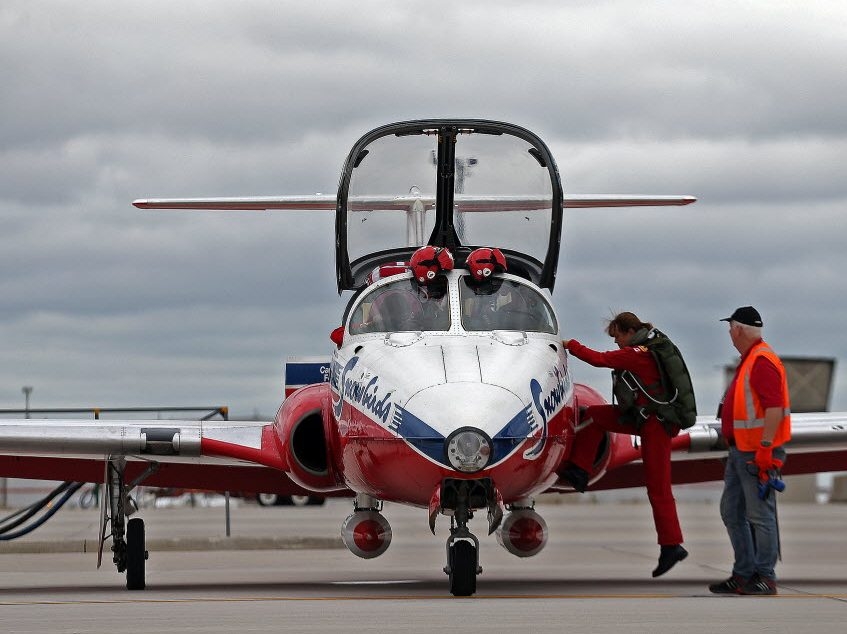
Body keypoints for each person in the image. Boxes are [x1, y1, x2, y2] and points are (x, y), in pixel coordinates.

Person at [562, 311, 688, 578]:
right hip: (641, 417)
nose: (616, 342)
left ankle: (672, 545)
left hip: (656, 425)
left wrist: (570, 345)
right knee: (595, 416)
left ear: (627, 330)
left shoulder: (637, 353)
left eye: (617, 336)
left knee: (658, 487)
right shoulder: (648, 346)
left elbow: (599, 359)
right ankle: (580, 471)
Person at [709, 306, 791, 596]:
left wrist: (766, 448)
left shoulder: (761, 361)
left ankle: (764, 577)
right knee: (731, 511)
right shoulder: (750, 360)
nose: (729, 333)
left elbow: (775, 408)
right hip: (740, 451)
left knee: (759, 514)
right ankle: (743, 573)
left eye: (730, 327)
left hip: (756, 452)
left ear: (739, 329)